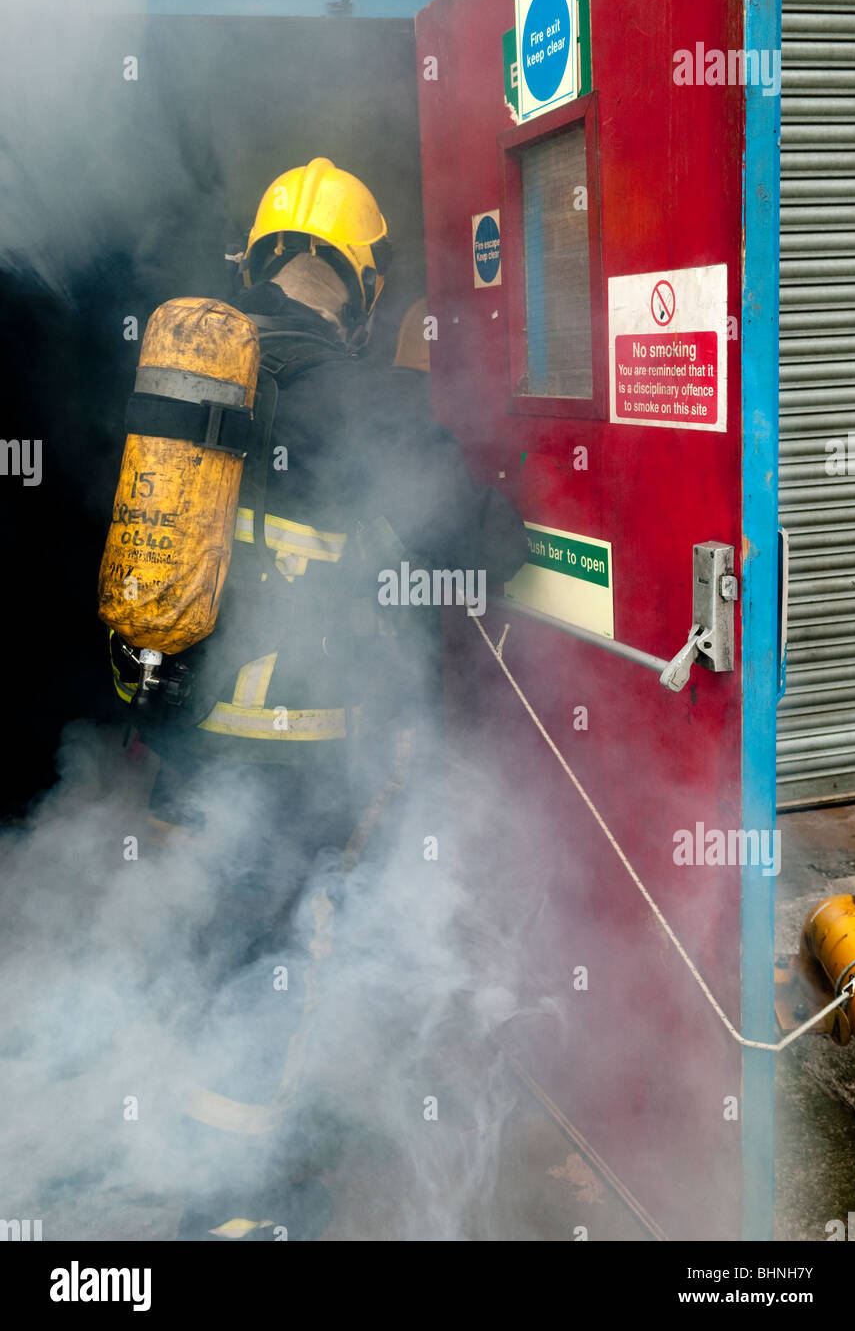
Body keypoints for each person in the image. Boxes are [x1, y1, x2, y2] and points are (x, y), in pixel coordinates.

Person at [110, 157, 527, 1238]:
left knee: (216, 939)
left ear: (260, 257)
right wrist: (517, 503)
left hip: (195, 750)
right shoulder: (362, 397)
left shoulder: (196, 377)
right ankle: (243, 1203)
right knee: (283, 960)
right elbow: (475, 553)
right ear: (365, 276)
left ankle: (187, 1133)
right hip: (301, 763)